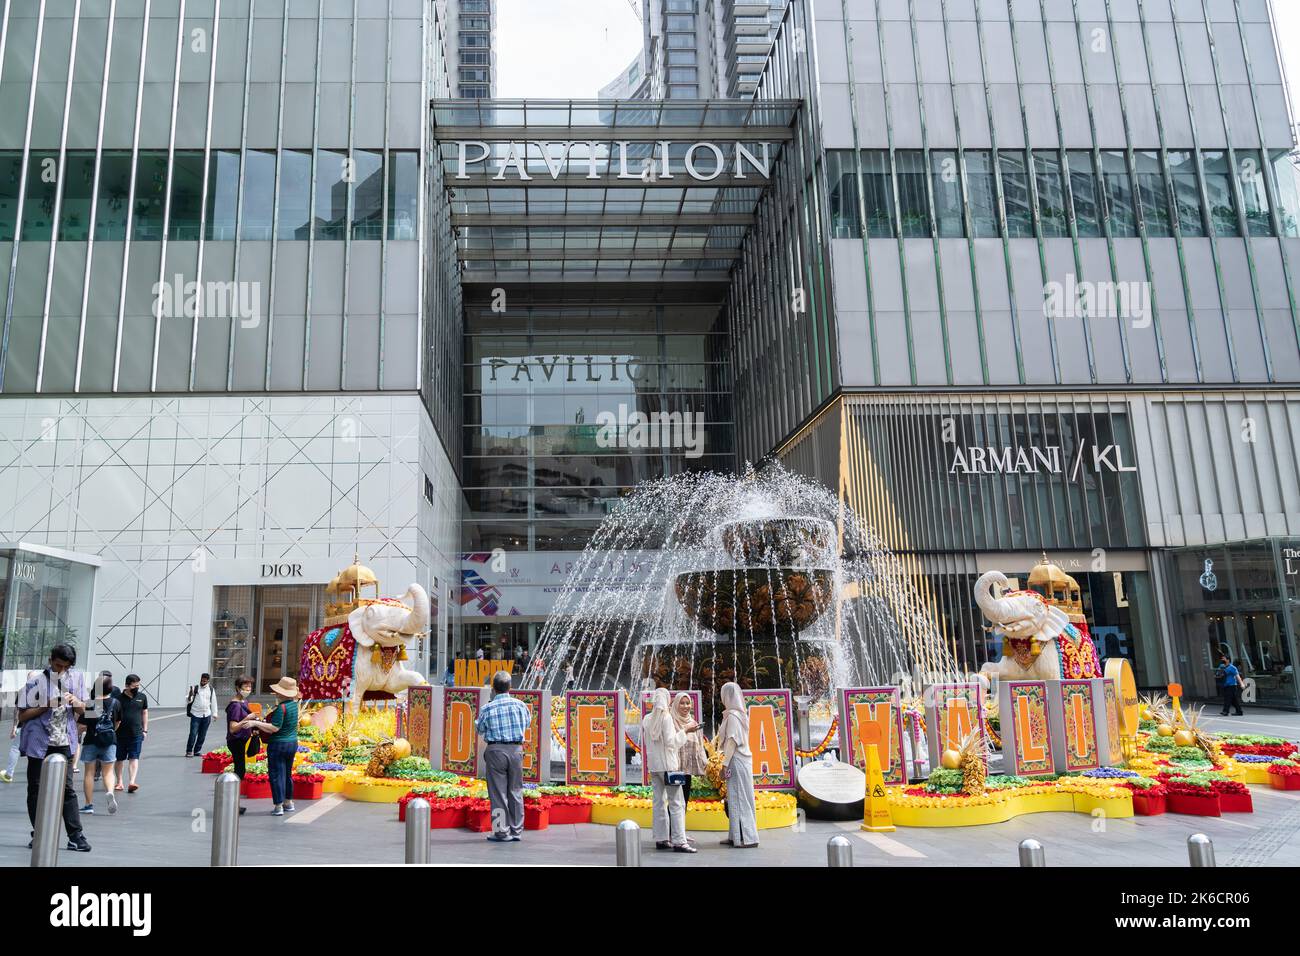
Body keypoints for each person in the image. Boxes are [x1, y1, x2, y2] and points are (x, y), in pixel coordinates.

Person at [16, 644, 91, 852]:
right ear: (50, 660)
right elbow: (22, 715)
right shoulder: (34, 683)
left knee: (67, 790)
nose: (62, 670)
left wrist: (77, 701)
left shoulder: (76, 679)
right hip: (39, 743)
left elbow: (86, 710)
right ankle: (39, 833)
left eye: (67, 667)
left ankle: (76, 836)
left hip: (64, 742)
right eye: (58, 665)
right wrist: (46, 705)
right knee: (36, 789)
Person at [475, 670, 530, 843]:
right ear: (510, 687)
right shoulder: (520, 705)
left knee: (498, 793)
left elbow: (480, 729)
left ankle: (501, 832)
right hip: (516, 750)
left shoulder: (487, 708)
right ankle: (516, 831)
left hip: (496, 751)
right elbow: (527, 723)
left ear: (493, 688)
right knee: (516, 790)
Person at [644, 687, 694, 853]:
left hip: (654, 767)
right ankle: (679, 841)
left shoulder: (647, 719)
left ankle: (661, 839)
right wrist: (686, 731)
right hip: (669, 767)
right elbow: (672, 743)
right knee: (677, 802)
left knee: (658, 802)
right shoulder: (666, 717)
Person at [242, 677, 300, 815]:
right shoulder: (294, 705)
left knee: (276, 775)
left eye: (278, 691)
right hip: (292, 743)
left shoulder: (281, 708)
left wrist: (255, 723)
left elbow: (274, 728)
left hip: (278, 745)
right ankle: (288, 802)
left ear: (282, 693)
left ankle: (278, 806)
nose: (276, 694)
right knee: (287, 774)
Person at [717, 682, 758, 848]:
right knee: (736, 797)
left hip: (736, 760)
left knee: (740, 798)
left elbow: (732, 742)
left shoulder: (733, 716)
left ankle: (748, 837)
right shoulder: (738, 714)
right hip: (740, 760)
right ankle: (735, 835)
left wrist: (724, 765)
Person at [78, 672, 121, 815]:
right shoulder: (116, 703)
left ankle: (88, 804)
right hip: (109, 741)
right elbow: (117, 722)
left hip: (91, 740)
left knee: (89, 773)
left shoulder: (91, 704)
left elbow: (83, 725)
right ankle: (110, 792)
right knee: (108, 772)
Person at [224, 676, 260, 815]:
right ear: (238, 688)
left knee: (240, 770)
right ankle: (233, 803)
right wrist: (248, 719)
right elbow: (233, 728)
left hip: (242, 740)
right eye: (245, 687)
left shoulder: (243, 701)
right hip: (236, 741)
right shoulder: (235, 705)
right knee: (239, 772)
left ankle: (234, 803)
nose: (248, 689)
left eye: (250, 687)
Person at [1, 672, 39, 784]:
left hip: (24, 725)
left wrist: (14, 727)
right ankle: (40, 775)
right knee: (37, 750)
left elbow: (17, 710)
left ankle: (9, 774)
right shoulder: (42, 690)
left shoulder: (23, 690)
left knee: (15, 748)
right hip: (37, 727)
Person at [113, 674, 148, 793]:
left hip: (136, 733)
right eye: (134, 686)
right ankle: (119, 782)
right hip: (120, 734)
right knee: (119, 758)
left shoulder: (142, 697)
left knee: (134, 757)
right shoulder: (118, 699)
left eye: (138, 686)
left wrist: (145, 730)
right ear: (127, 686)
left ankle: (132, 782)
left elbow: (144, 712)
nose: (137, 688)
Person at [674, 691, 709, 790]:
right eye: (682, 703)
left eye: (688, 703)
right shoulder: (671, 721)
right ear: (676, 704)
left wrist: (704, 762)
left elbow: (700, 745)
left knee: (685, 796)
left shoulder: (693, 723)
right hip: (674, 768)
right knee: (675, 797)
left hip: (688, 770)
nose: (686, 706)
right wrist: (686, 731)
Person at [185, 673, 219, 757]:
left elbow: (214, 702)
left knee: (202, 734)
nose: (203, 682)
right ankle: (189, 751)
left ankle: (197, 751)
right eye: (202, 680)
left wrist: (215, 713)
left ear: (208, 681)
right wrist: (190, 695)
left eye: (205, 681)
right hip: (196, 714)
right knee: (193, 733)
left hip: (206, 715)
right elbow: (189, 701)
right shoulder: (195, 688)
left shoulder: (211, 689)